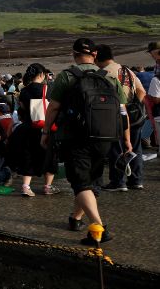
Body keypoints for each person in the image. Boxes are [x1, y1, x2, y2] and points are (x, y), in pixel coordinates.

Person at [41, 38, 130, 244]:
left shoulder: (67, 76)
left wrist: (46, 132)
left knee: (80, 183)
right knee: (90, 182)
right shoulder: (109, 77)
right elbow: (122, 111)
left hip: (75, 138)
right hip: (105, 138)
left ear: (74, 54)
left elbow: (53, 107)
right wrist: (126, 139)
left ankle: (98, 228)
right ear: (95, 55)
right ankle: (75, 218)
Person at [97, 45, 147, 191]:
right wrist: (133, 105)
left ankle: (118, 182)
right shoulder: (127, 70)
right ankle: (136, 180)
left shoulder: (104, 73)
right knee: (135, 148)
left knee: (116, 148)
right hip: (135, 116)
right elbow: (141, 91)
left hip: (116, 114)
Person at [7, 63, 60, 197]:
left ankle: (26, 187)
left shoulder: (24, 91)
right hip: (47, 127)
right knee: (49, 156)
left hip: (30, 127)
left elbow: (23, 108)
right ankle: (47, 186)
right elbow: (55, 107)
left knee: (29, 156)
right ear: (42, 74)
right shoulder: (49, 89)